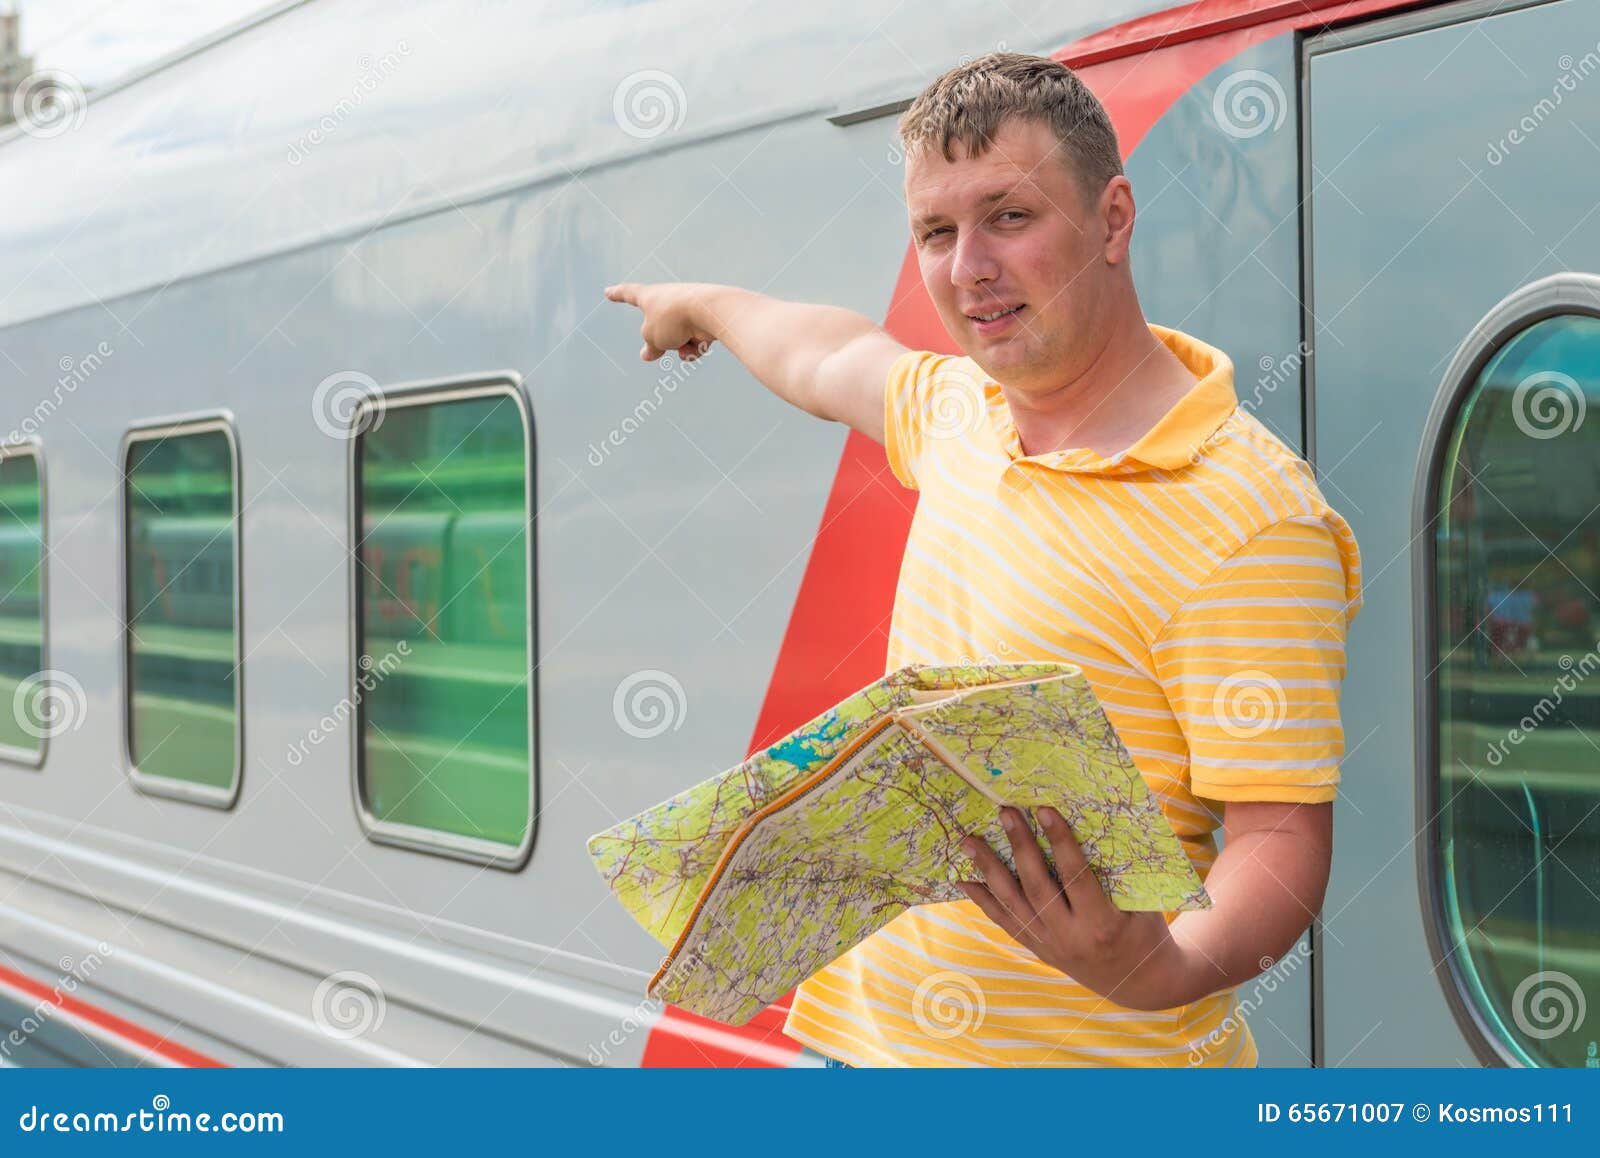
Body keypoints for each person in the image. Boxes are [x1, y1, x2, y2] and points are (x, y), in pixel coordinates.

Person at [604, 51, 1361, 1068]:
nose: (968, 268)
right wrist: (697, 301)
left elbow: (1279, 838)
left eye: (1008, 216)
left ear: (1112, 219)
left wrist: (1162, 968)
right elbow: (827, 354)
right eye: (936, 232)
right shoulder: (960, 413)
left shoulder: (1249, 515)